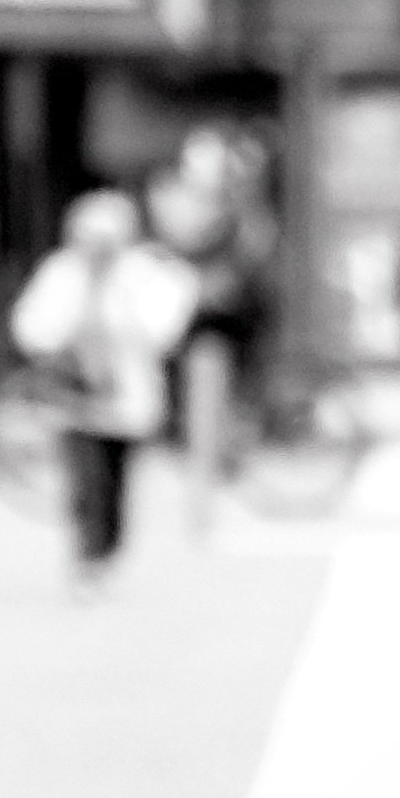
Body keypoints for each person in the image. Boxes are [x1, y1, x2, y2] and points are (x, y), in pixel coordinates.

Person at [14, 185, 188, 576]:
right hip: (73, 393)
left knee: (114, 478)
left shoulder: (142, 275)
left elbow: (161, 329)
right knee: (84, 476)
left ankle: (108, 548)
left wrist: (121, 304)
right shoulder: (61, 272)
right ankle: (86, 553)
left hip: (124, 394)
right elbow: (32, 327)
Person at [148, 129, 266, 527]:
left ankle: (219, 457)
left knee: (219, 389)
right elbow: (181, 236)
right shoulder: (175, 196)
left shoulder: (235, 201)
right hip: (184, 313)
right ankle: (197, 460)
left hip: (221, 314)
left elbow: (254, 243)